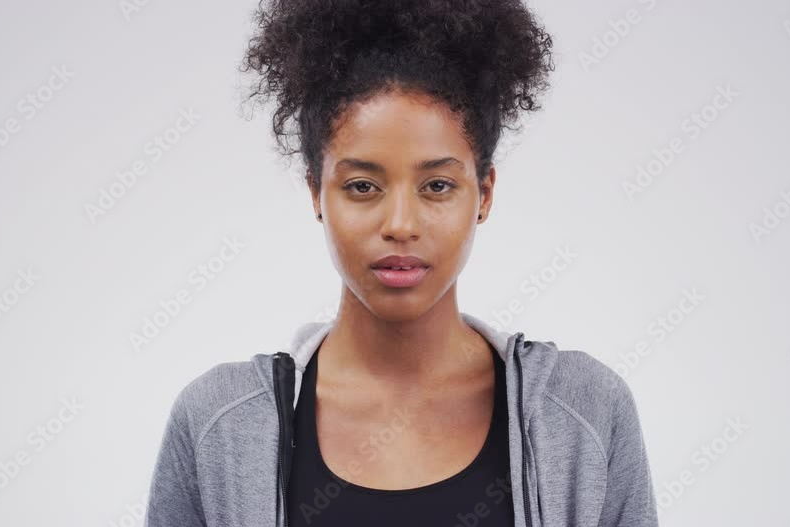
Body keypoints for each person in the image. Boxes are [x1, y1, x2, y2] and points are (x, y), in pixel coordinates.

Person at [144, 1, 659, 525]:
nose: (401, 224)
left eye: (437, 186)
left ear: (483, 194)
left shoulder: (585, 411)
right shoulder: (218, 424)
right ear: (316, 193)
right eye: (362, 186)